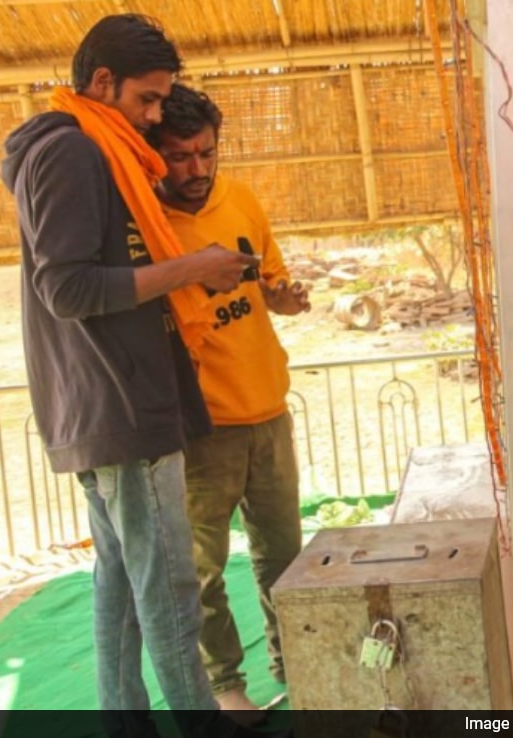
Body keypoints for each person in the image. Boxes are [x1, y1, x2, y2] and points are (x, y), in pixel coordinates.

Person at [0, 14, 277, 738]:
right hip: (116, 400)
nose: (156, 117)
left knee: (121, 587)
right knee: (169, 586)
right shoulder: (72, 152)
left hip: (111, 400)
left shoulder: (98, 150)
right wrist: (192, 267)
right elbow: (68, 289)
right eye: (149, 100)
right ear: (102, 83)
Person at [148, 84, 310, 724]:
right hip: (200, 432)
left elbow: (267, 278)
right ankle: (225, 684)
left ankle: (295, 665)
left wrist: (284, 298)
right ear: (155, 155)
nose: (196, 169)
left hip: (269, 413)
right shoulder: (145, 224)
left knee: (285, 557)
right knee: (202, 574)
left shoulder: (240, 198)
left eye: (205, 153)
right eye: (180, 157)